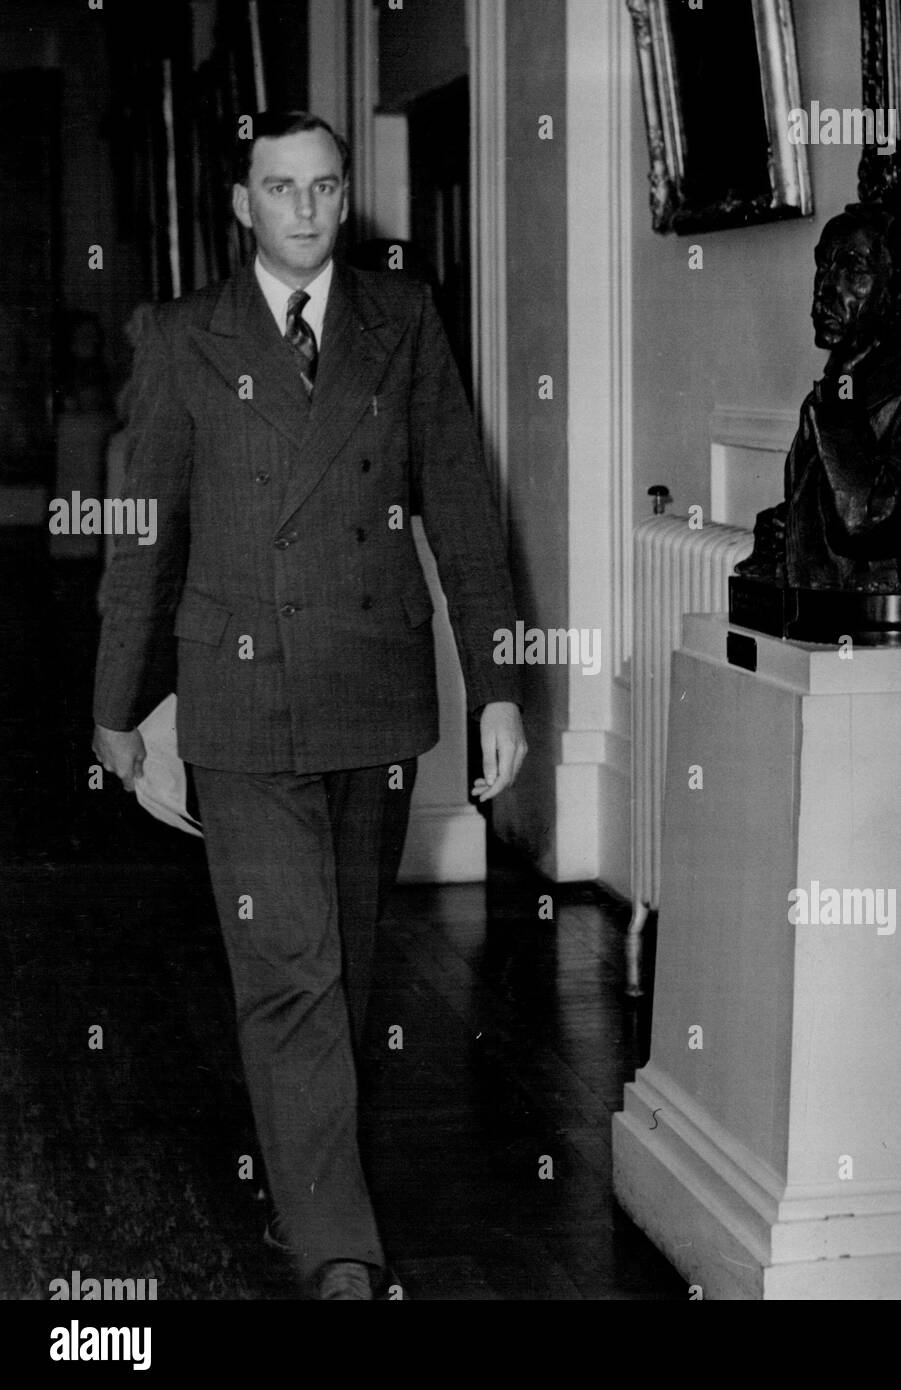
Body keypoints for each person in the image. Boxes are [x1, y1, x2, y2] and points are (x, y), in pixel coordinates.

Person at [91, 111, 527, 1300]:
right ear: (241, 204)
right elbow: (145, 533)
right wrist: (114, 706)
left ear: (345, 198)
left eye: (323, 187)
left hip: (374, 698)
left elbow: (463, 510)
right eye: (278, 188)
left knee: (346, 962)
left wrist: (497, 686)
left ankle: (310, 1175)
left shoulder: (404, 323)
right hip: (237, 700)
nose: (302, 209)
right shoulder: (184, 337)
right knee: (291, 971)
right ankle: (339, 1246)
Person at [736, 202, 901, 593]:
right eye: (823, 265)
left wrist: (840, 397)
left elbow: (867, 521)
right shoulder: (836, 391)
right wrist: (789, 530)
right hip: (838, 630)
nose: (825, 287)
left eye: (853, 270)